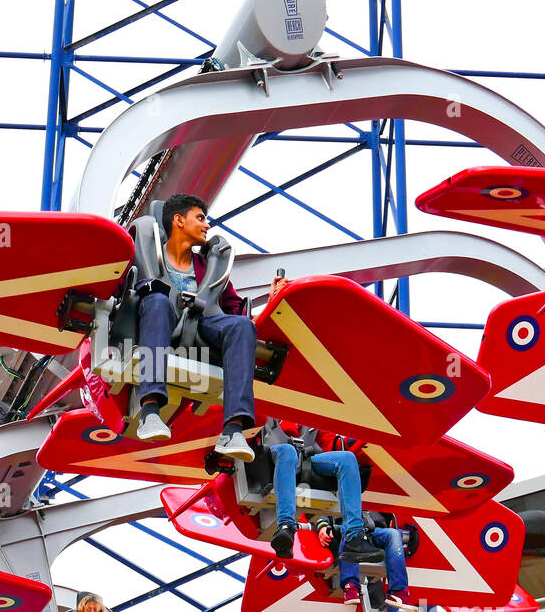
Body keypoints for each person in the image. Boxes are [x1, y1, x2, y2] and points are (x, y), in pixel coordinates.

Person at [134, 194, 257, 462]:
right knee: (156, 300)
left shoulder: (207, 267)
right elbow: (118, 287)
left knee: (242, 326)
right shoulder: (146, 254)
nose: (207, 225)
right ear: (178, 220)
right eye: (200, 218)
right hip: (157, 318)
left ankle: (233, 430)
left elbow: (233, 306)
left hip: (202, 326)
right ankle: (150, 411)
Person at [266, 420, 381, 569]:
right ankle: (286, 527)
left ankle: (354, 537)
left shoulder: (311, 416)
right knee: (288, 451)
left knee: (347, 459)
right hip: (274, 452)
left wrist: (359, 440)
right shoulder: (272, 406)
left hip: (305, 458)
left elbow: (330, 443)